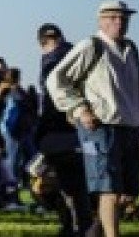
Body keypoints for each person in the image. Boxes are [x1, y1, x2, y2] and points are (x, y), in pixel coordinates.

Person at [47, 0, 139, 237]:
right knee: (109, 189)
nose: (119, 22)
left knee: (128, 190)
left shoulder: (131, 48)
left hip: (129, 125)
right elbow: (57, 80)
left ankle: (95, 232)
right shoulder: (90, 46)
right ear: (101, 20)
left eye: (124, 18)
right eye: (113, 17)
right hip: (100, 126)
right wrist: (80, 108)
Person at [35, 23, 93, 237]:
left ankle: (77, 226)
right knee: (81, 182)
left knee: (60, 182)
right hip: (84, 130)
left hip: (60, 131)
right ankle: (80, 225)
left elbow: (52, 101)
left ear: (43, 44)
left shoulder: (51, 61)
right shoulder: (77, 54)